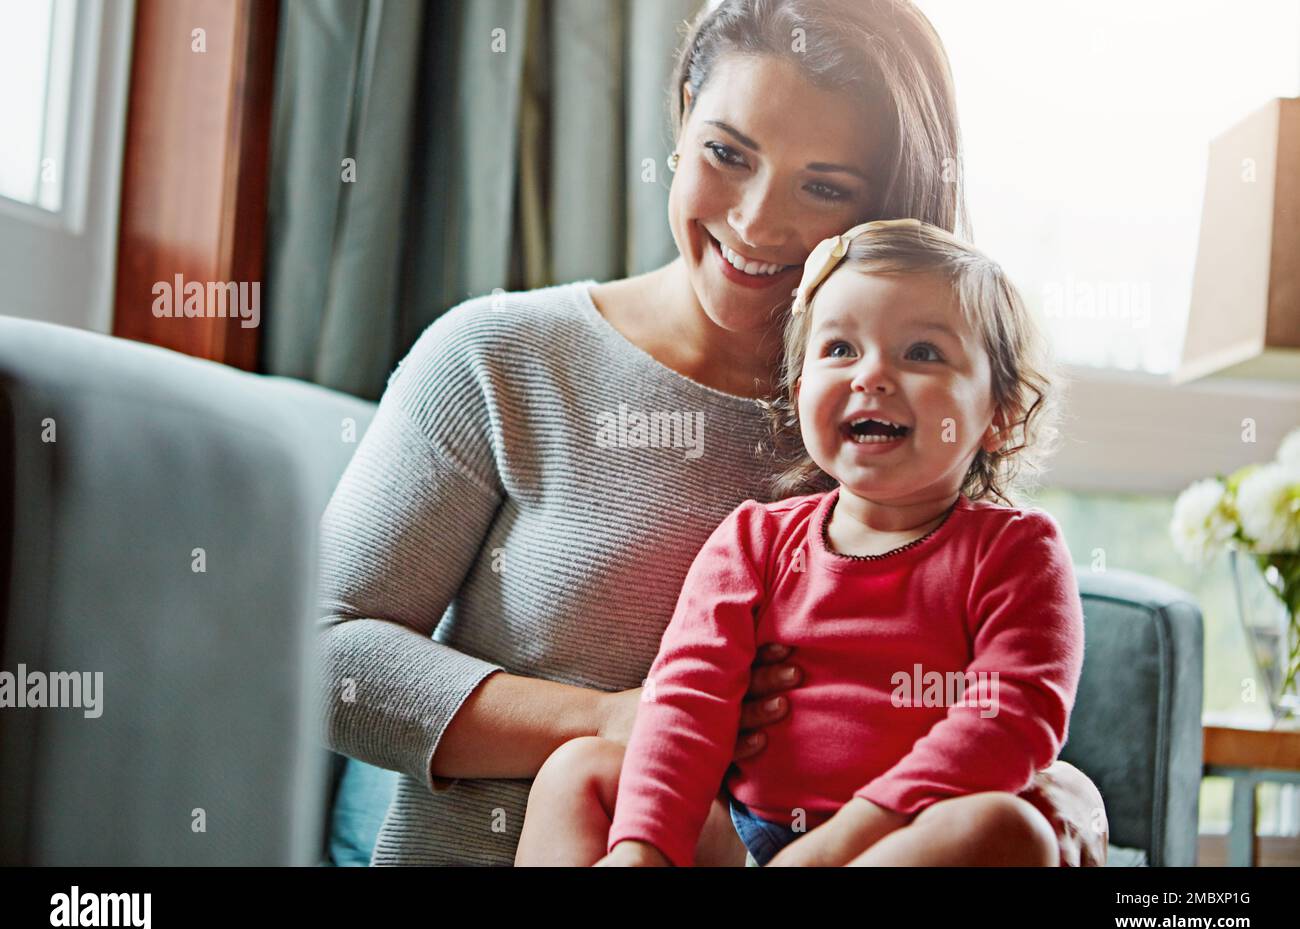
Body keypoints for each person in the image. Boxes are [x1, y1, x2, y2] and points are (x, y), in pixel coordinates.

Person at [318, 0, 1108, 866]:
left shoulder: (896, 421)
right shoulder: (497, 357)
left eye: (825, 186)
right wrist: (623, 718)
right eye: (727, 153)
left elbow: (981, 688)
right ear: (682, 114)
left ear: (887, 206)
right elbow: (320, 662)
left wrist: (1059, 791)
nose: (758, 224)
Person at [514, 218, 1084, 867]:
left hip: (898, 842)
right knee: (579, 771)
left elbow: (1010, 719)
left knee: (1010, 833)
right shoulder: (754, 540)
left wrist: (840, 845)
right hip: (746, 833)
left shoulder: (1016, 552)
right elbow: (687, 701)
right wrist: (643, 851)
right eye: (840, 349)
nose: (872, 375)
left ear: (1001, 416)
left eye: (922, 353)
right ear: (798, 389)